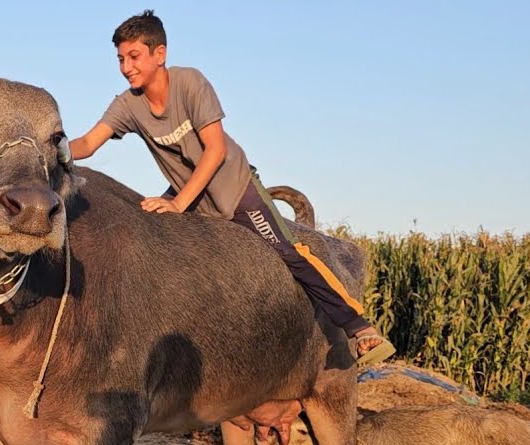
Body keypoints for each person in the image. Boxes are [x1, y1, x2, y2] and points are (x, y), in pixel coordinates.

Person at [70, 10, 395, 365]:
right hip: (187, 193)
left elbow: (216, 150)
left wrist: (178, 204)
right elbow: (87, 143)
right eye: (120, 59)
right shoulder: (127, 104)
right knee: (145, 237)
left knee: (287, 252)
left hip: (234, 187)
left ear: (159, 54)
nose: (126, 66)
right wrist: (47, 147)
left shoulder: (190, 84)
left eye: (134, 57)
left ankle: (359, 328)